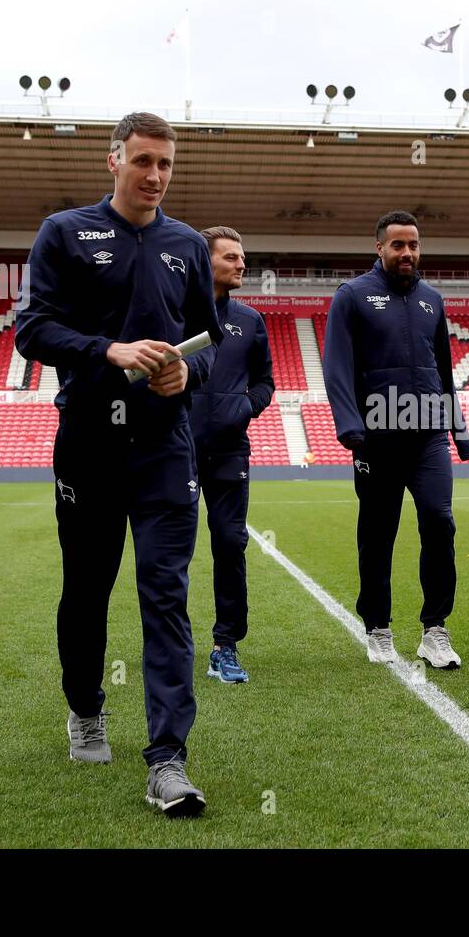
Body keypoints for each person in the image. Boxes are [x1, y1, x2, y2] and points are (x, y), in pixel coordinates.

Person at [15, 111, 223, 818]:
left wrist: (185, 377)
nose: (155, 175)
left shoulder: (189, 245)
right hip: (90, 442)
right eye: (142, 161)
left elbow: (212, 343)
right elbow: (31, 330)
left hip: (166, 448)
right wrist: (110, 350)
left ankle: (168, 759)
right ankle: (86, 706)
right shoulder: (66, 232)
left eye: (165, 163)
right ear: (114, 160)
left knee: (165, 593)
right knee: (88, 589)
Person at [323, 210, 469, 669]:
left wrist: (459, 427)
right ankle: (378, 627)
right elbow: (336, 365)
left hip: (428, 437)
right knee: (378, 533)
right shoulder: (352, 296)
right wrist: (350, 425)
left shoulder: (432, 299)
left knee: (440, 521)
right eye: (397, 245)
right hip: (376, 438)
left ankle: (435, 630)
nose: (406, 252)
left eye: (413, 245)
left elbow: (445, 370)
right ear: (380, 248)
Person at [188, 226, 275, 685]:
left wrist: (244, 408)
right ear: (206, 263)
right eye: (232, 258)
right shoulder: (176, 312)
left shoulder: (250, 320)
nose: (242, 264)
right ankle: (172, 645)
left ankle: (226, 645)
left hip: (229, 451)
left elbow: (265, 382)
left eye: (243, 257)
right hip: (176, 450)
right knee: (171, 552)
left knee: (229, 543)